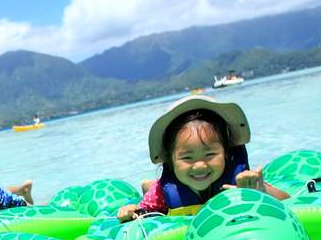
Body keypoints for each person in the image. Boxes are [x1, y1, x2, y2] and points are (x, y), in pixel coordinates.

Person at [117, 95, 288, 222]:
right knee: (153, 192)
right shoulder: (162, 191)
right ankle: (147, 186)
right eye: (187, 157)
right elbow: (144, 212)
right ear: (170, 160)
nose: (199, 165)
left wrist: (260, 192)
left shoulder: (242, 181)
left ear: (226, 153)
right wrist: (132, 212)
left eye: (210, 154)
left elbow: (288, 201)